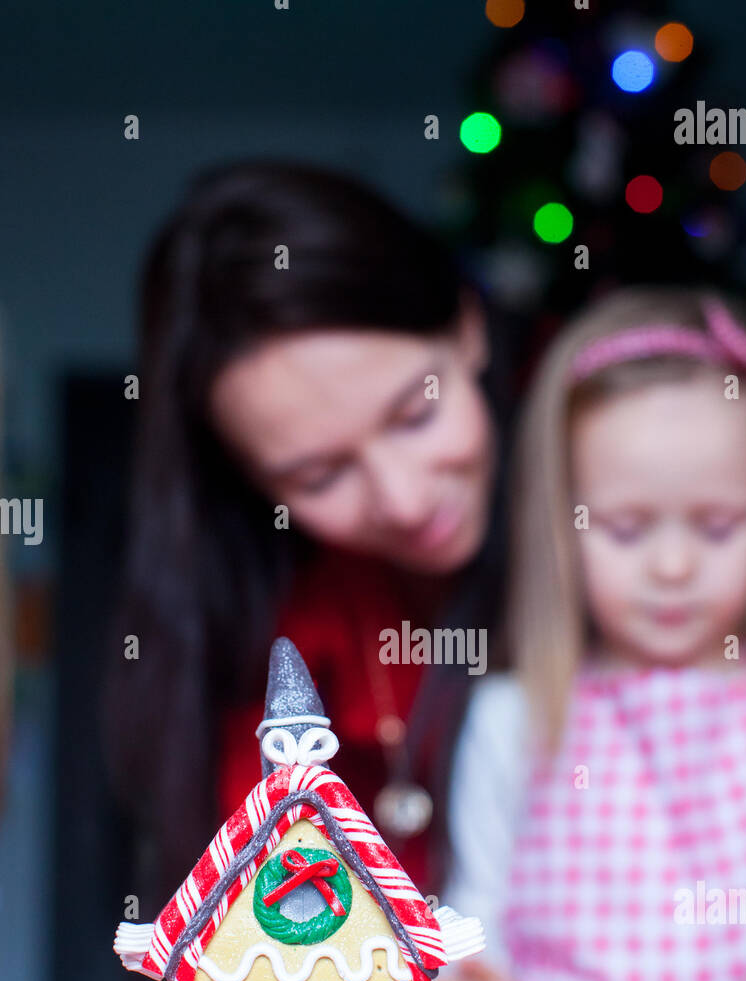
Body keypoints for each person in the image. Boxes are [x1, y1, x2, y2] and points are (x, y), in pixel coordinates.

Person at [439, 286, 746, 981]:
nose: (673, 567)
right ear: (560, 525)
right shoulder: (515, 718)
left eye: (719, 525)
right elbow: (477, 923)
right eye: (627, 529)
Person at [106, 160, 505, 911]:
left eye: (416, 415)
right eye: (318, 478)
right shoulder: (275, 656)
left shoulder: (662, 503)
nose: (406, 499)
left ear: (468, 326)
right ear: (254, 487)